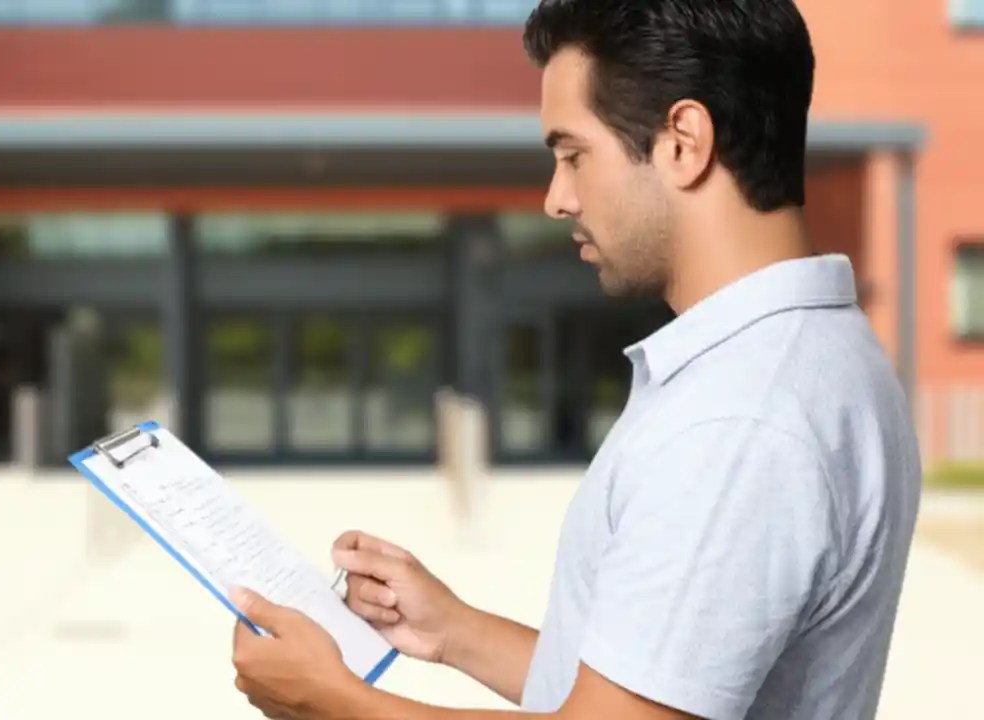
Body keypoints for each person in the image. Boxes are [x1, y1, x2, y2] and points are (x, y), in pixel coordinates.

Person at [228, 0, 923, 717]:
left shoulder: (740, 419)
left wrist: (327, 700)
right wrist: (454, 630)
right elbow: (647, 685)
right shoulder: (803, 359)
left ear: (683, 141)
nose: (557, 198)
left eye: (573, 155)